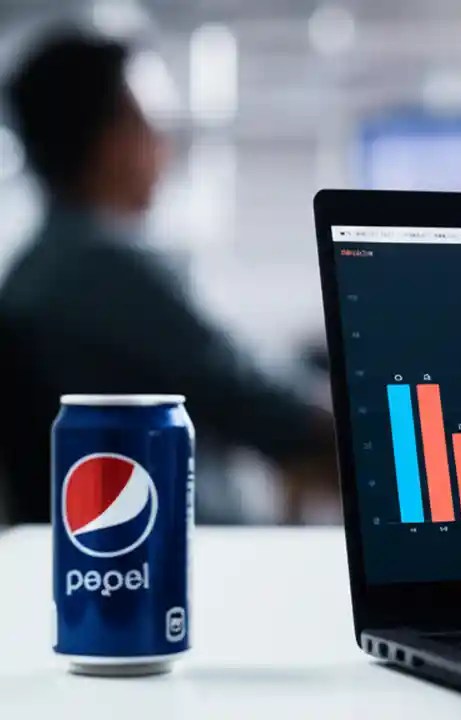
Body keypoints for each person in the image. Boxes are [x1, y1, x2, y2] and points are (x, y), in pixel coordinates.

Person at [0, 30, 335, 524]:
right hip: (185, 544)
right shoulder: (103, 268)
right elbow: (254, 399)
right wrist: (368, 413)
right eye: (152, 124)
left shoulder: (41, 265)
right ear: (112, 142)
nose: (166, 145)